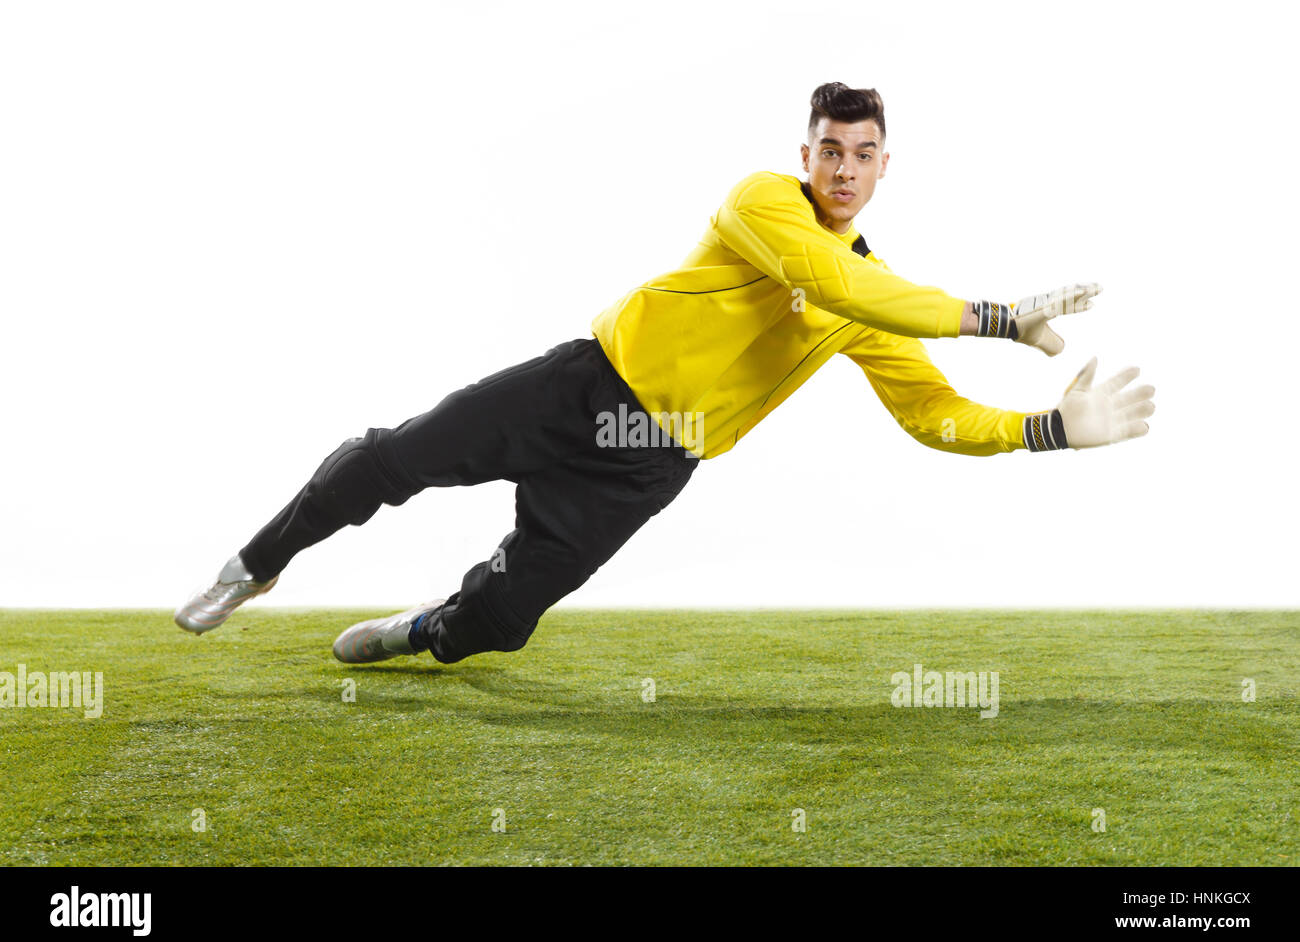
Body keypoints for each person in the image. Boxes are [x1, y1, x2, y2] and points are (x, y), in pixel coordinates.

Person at [174, 81, 1156, 666]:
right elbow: (826, 279)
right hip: (582, 388)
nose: (842, 168)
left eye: (862, 154)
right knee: (395, 457)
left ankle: (418, 628)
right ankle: (250, 566)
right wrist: (992, 316)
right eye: (829, 149)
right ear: (805, 152)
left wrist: (1048, 428)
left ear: (884, 166)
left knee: (502, 624)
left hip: (646, 458)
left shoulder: (875, 294)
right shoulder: (765, 202)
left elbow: (928, 411)